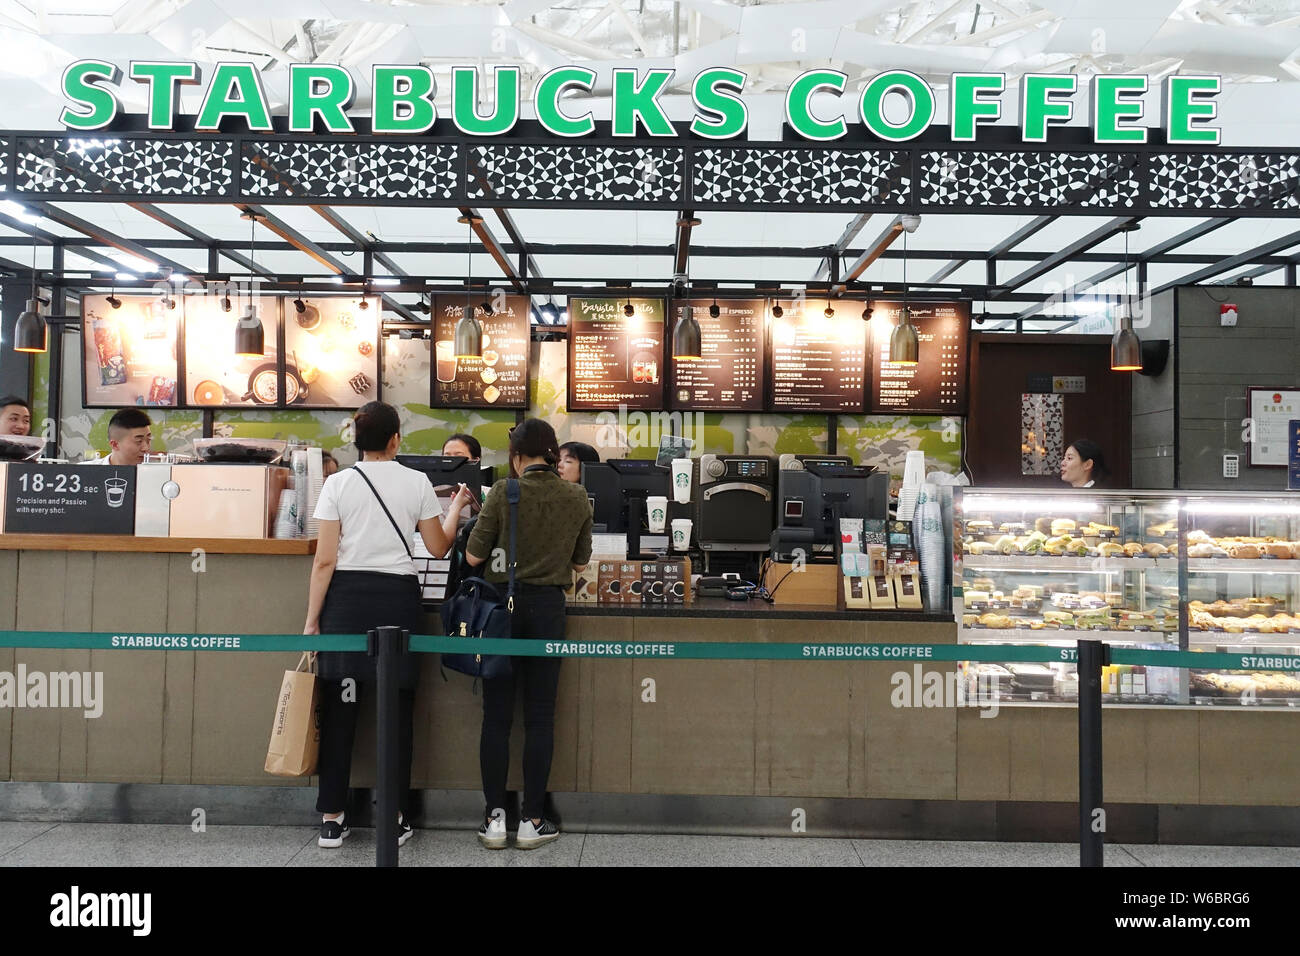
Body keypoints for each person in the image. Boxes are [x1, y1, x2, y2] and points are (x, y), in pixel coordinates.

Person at [303, 400, 475, 850]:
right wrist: (455, 506)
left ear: (356, 440)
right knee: (395, 712)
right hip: (397, 600)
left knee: (341, 709)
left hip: (345, 601)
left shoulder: (337, 483)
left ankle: (332, 818)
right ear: (395, 438)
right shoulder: (416, 482)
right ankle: (395, 817)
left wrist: (311, 620)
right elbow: (438, 549)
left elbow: (324, 560)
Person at [465, 419, 592, 850]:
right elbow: (579, 564)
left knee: (496, 718)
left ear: (516, 457)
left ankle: (494, 819)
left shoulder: (504, 491)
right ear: (553, 453)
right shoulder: (576, 495)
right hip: (548, 611)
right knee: (540, 718)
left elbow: (472, 554)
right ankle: (533, 819)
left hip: (501, 608)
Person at [87, 409, 152, 465]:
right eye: (139, 441)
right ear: (115, 445)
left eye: (148, 440)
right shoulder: (84, 472)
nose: (146, 448)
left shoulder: (155, 473)